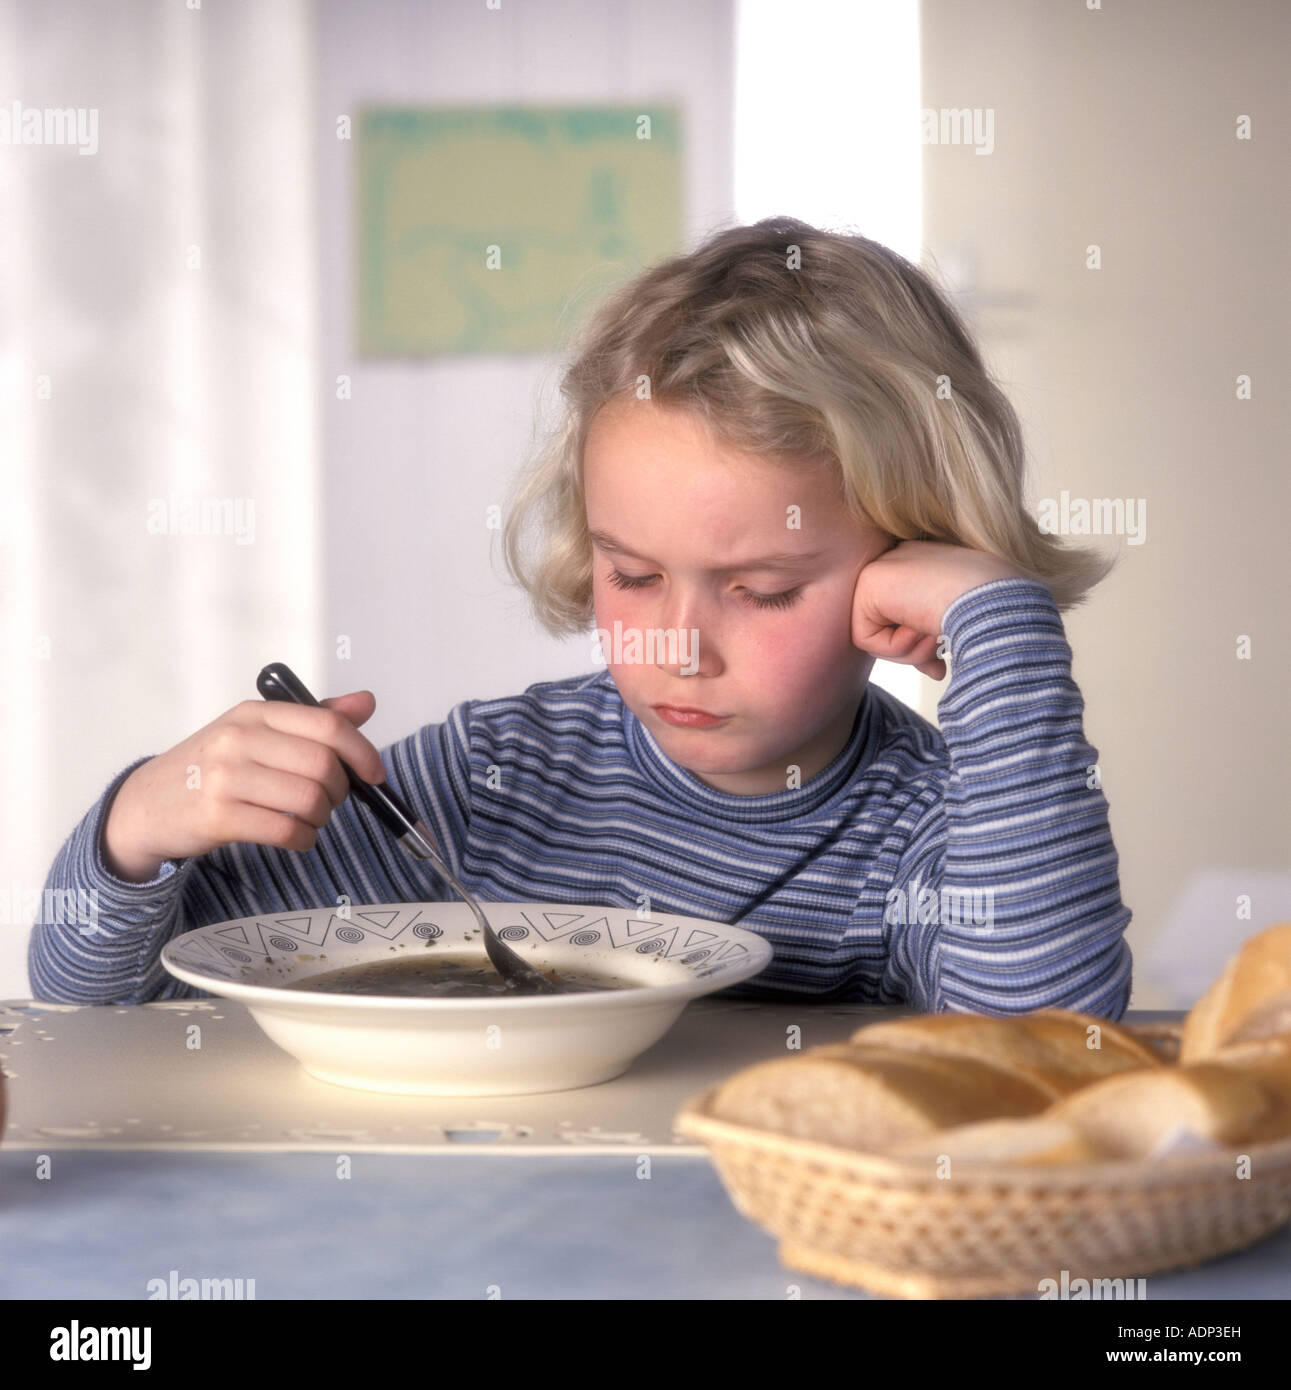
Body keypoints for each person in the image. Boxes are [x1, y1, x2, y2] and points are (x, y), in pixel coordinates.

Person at [29, 216, 1132, 1014]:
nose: (675, 645)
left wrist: (1002, 626)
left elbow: (1047, 1038)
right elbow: (85, 997)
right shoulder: (495, 782)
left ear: (903, 559)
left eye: (759, 590)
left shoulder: (935, 831)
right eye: (632, 573)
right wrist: (139, 824)